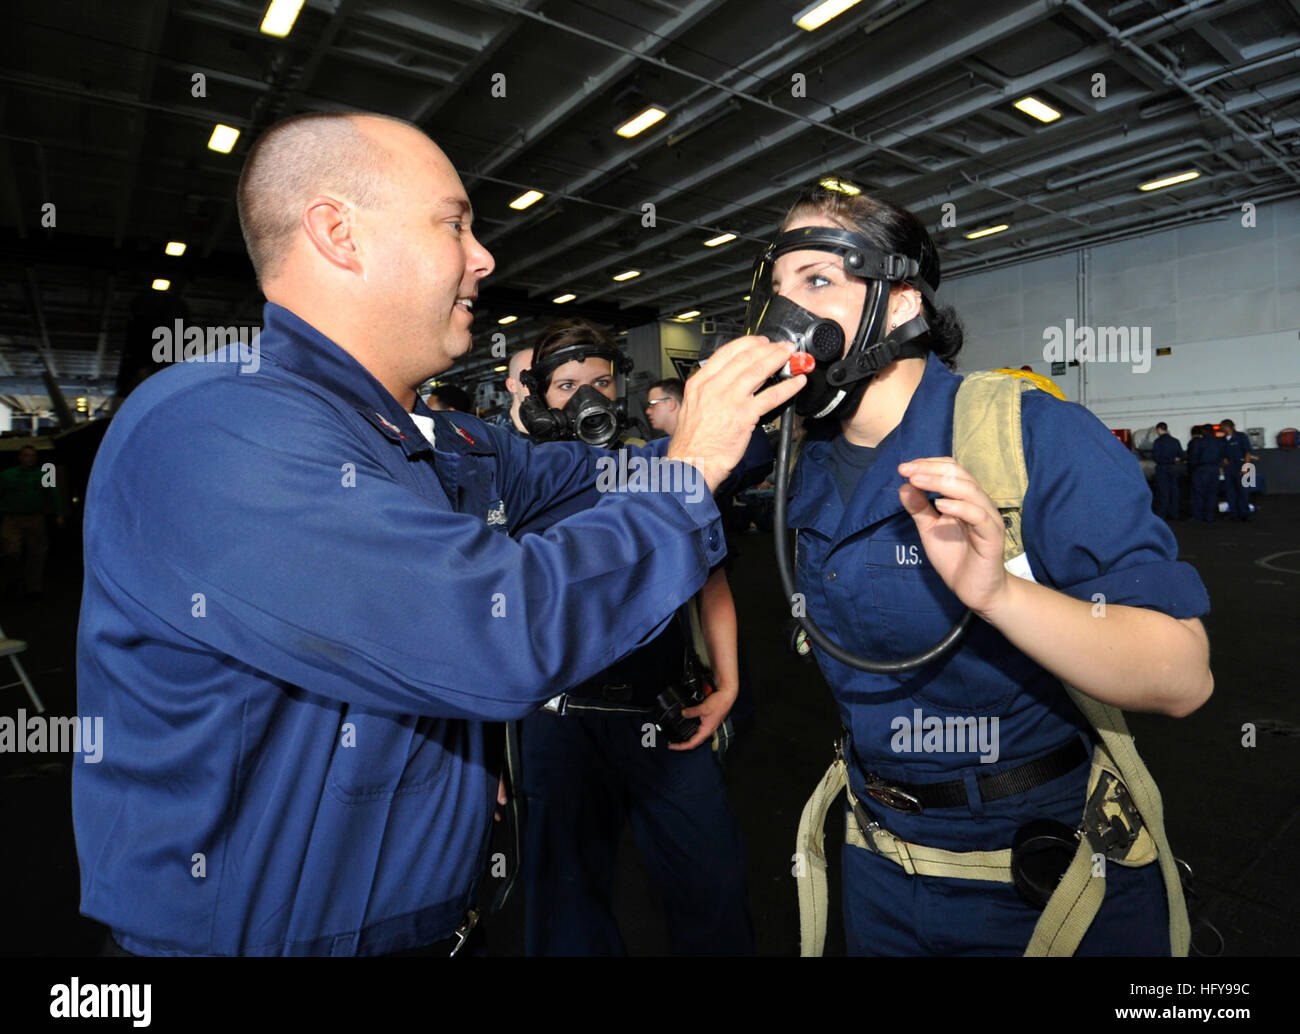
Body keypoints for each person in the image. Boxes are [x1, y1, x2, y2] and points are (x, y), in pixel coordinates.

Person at [72, 110, 802, 957]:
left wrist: (736, 423)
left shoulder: (435, 440)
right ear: (339, 233)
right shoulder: (219, 428)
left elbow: (599, 479)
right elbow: (499, 627)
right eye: (455, 223)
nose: (484, 255)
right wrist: (692, 467)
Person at [761, 183, 1212, 956]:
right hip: (878, 859)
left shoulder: (1036, 433)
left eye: (817, 281)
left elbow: (1181, 674)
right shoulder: (798, 462)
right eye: (776, 289)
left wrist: (1000, 592)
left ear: (900, 305)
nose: (782, 316)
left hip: (1039, 875)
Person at [510, 318, 753, 956]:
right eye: (567, 385)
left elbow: (712, 581)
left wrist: (728, 683)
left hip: (662, 713)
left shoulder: (657, 468)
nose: (587, 396)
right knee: (564, 904)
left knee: (712, 883)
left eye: (600, 381)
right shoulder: (514, 484)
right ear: (538, 398)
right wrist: (488, 747)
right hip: (557, 723)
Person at [0, 444, 65, 600]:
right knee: (11, 551)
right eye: (26, 455)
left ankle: (33, 587)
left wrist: (59, 513)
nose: (29, 458)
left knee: (37, 552)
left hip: (35, 517)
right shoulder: (7, 475)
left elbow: (53, 494)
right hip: (12, 518)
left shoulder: (43, 475)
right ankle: (14, 581)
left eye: (32, 456)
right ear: (20, 457)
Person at [1219, 418, 1253, 521]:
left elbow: (1247, 452)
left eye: (1222, 427)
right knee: (1230, 491)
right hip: (1229, 467)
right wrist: (1223, 460)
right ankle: (1233, 513)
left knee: (1242, 490)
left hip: (1240, 464)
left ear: (1228, 427)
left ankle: (1244, 513)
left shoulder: (1241, 437)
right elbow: (1222, 454)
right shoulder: (1223, 440)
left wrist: (1246, 467)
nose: (1221, 429)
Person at [1151, 422, 1183, 521]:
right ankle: (1174, 513)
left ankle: (1162, 514)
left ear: (1159, 429)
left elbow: (1156, 458)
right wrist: (1173, 460)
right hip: (1173, 468)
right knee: (1174, 491)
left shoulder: (1157, 442)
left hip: (1162, 468)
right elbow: (1181, 455)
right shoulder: (1175, 441)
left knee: (1163, 492)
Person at [1187, 425, 1220, 522]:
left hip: (1201, 469)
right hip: (1214, 469)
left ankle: (1198, 516)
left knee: (1199, 494)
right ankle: (1210, 516)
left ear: (1204, 432)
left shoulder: (1198, 442)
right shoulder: (1218, 442)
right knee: (1212, 493)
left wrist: (1192, 469)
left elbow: (1193, 457)